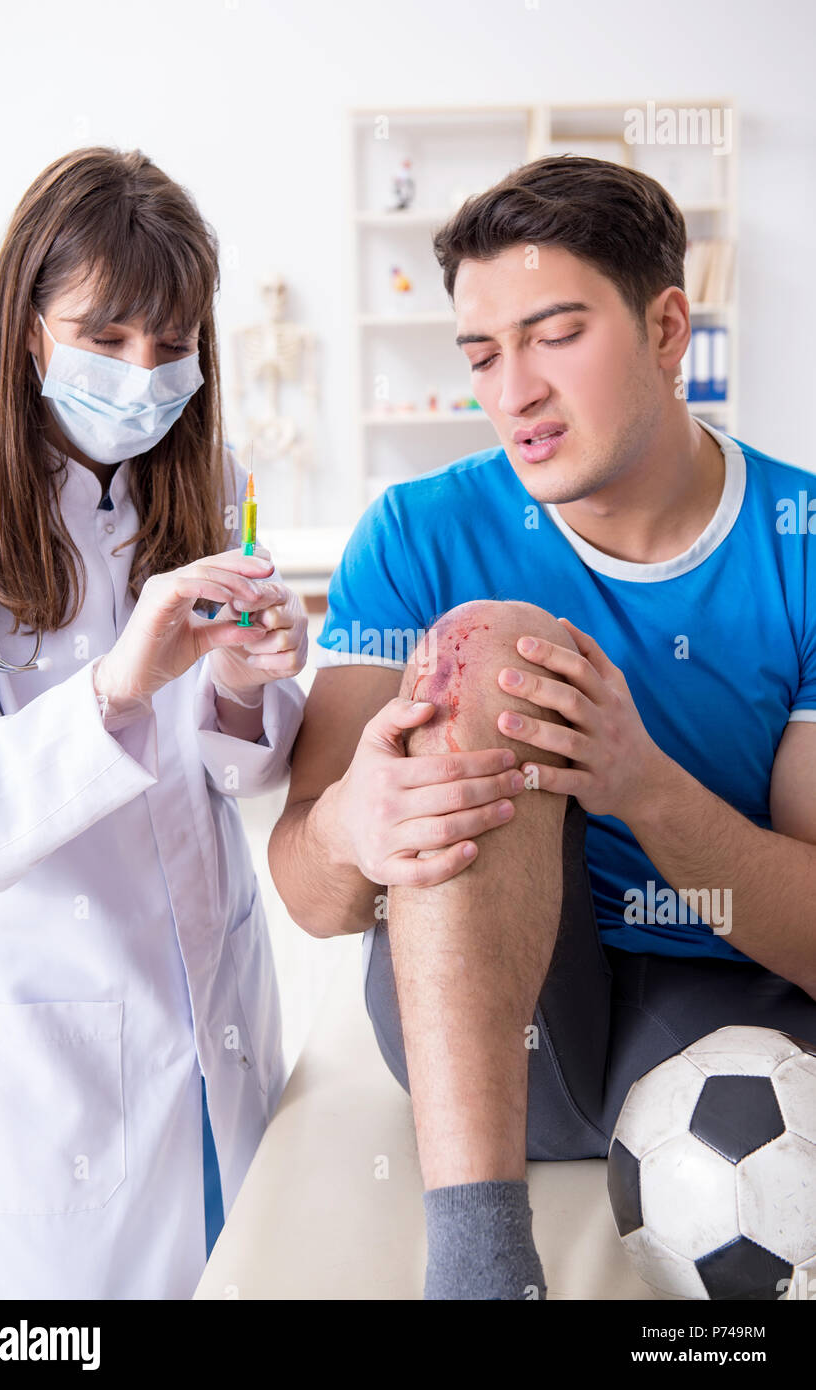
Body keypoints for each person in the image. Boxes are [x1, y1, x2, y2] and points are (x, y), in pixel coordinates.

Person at [268, 154, 816, 1300]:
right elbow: (313, 894)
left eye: (555, 334)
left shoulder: (798, 541)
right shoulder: (416, 532)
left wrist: (639, 783)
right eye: (480, 354)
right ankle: (476, 1265)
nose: (511, 390)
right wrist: (353, 832)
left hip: (726, 1031)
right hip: (499, 1032)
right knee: (492, 642)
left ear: (668, 329)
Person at [0, 146, 307, 1299]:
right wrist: (113, 687)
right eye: (104, 339)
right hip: (51, 1057)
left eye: (171, 345)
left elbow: (239, 777)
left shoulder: (209, 480)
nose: (144, 377)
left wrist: (251, 682)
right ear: (26, 328)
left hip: (217, 1021)